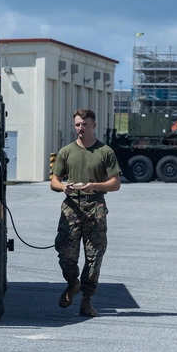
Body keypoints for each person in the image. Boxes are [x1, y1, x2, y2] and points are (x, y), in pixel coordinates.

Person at [50, 108, 121, 318]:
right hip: (71, 207)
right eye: (78, 124)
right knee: (66, 254)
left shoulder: (105, 151)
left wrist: (94, 186)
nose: (81, 128)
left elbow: (115, 183)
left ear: (93, 126)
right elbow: (54, 181)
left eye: (85, 124)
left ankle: (87, 301)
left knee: (94, 257)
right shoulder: (66, 151)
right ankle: (73, 283)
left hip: (95, 206)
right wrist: (63, 187)